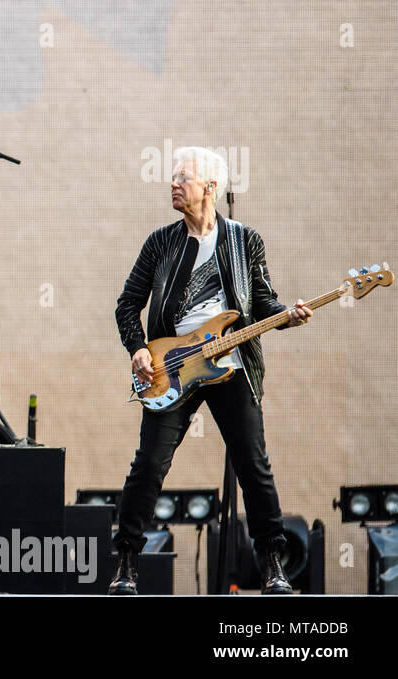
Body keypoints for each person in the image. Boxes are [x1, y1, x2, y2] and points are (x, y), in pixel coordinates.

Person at [109, 147, 311, 595]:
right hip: (173, 367)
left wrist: (287, 314)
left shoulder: (245, 240)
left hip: (231, 367)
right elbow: (127, 304)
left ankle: (273, 566)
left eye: (184, 177)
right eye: (174, 177)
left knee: (253, 465)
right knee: (148, 467)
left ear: (210, 188)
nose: (174, 183)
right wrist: (138, 348)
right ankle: (125, 565)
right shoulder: (160, 242)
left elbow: (262, 302)